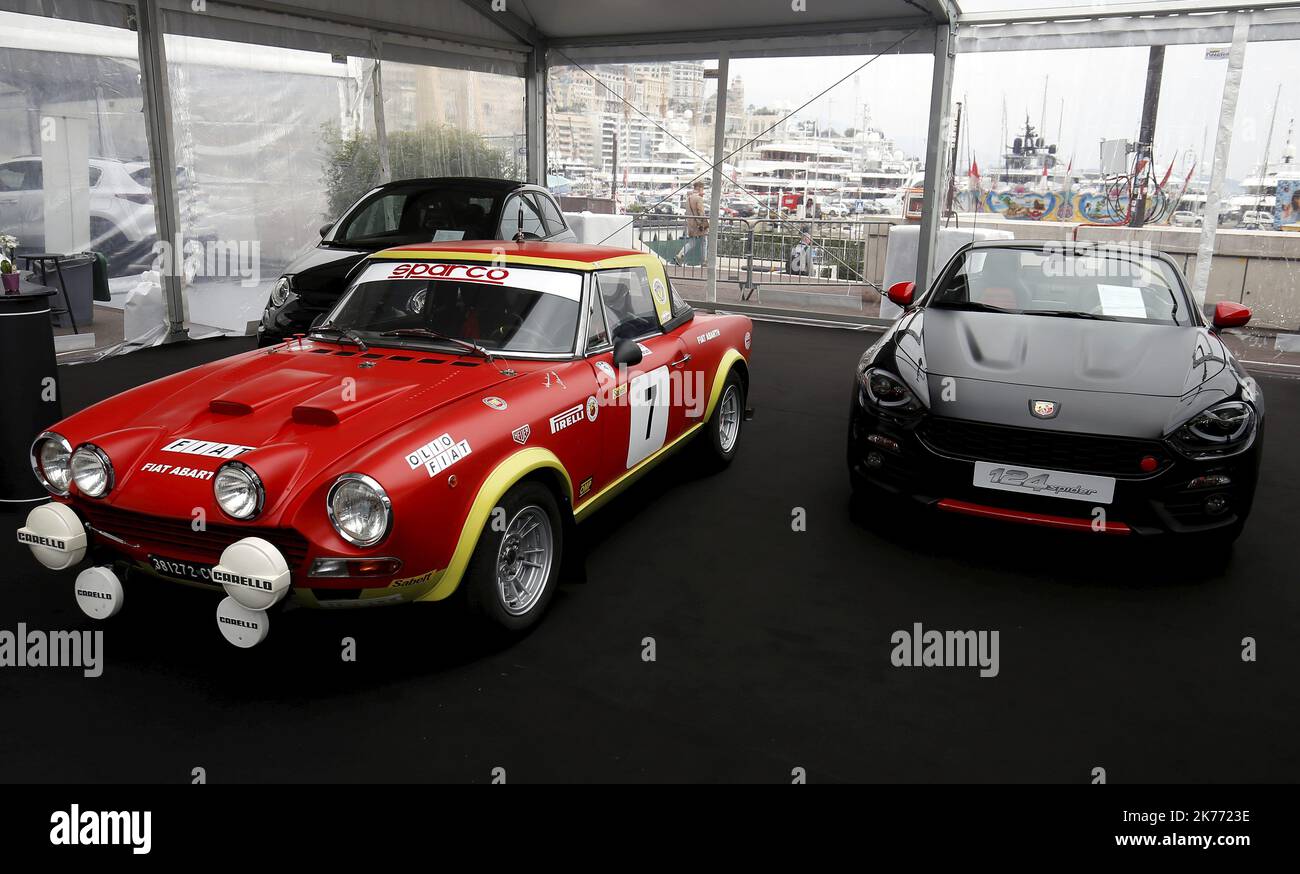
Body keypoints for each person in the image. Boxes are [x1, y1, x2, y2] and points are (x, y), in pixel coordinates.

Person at [674, 180, 709, 266]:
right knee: (704, 241)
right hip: (699, 224)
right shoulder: (699, 198)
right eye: (702, 189)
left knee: (692, 242)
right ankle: (704, 261)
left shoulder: (688, 198)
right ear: (700, 188)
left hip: (690, 224)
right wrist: (704, 223)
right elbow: (701, 212)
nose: (703, 191)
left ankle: (680, 255)